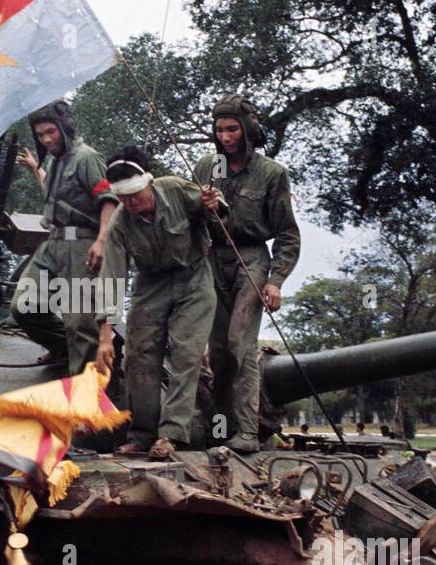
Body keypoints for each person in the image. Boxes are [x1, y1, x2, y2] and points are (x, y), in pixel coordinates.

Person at [94, 145, 224, 460]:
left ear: (149, 183)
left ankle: (171, 436)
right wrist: (105, 336)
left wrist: (213, 204)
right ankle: (142, 434)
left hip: (194, 278)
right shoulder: (120, 225)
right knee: (138, 357)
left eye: (135, 196)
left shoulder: (176, 189)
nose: (130, 204)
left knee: (186, 354)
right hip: (150, 285)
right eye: (122, 198)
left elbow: (215, 213)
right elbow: (112, 276)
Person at [193, 95, 300, 453]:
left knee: (241, 343)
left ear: (248, 129)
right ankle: (220, 430)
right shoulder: (207, 167)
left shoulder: (270, 173)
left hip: (251, 258)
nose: (225, 136)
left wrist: (276, 280)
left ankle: (247, 432)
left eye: (232, 129)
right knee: (219, 352)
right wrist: (202, 208)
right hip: (212, 257)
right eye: (219, 129)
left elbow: (287, 233)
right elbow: (188, 221)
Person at [11, 100, 115, 374]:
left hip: (81, 245)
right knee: (23, 306)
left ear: (64, 127)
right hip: (53, 244)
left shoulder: (86, 157)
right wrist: (35, 167)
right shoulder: (56, 162)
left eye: (50, 132)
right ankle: (62, 350)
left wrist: (102, 239)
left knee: (80, 323)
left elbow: (109, 199)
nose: (46, 139)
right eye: (41, 135)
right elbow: (54, 193)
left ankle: (88, 399)